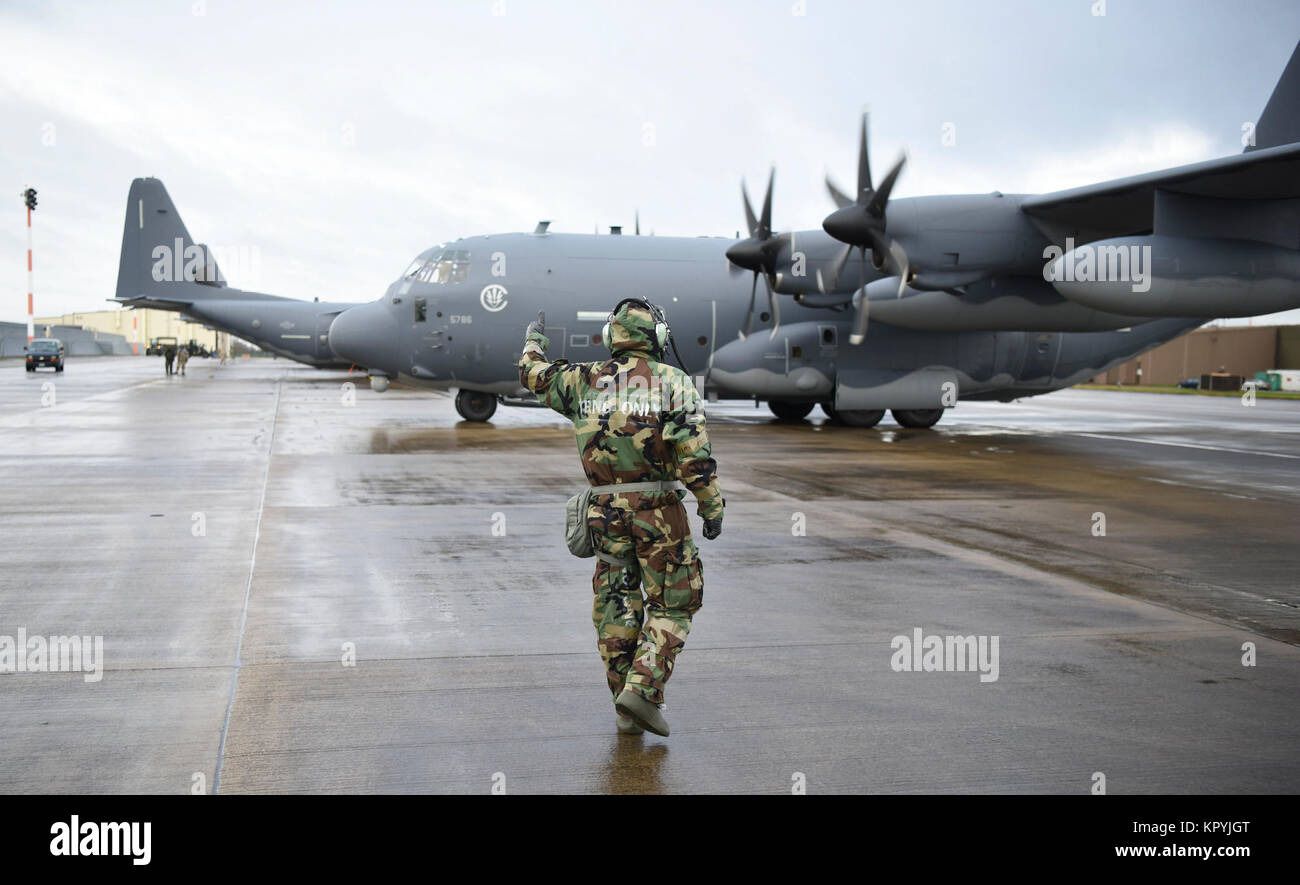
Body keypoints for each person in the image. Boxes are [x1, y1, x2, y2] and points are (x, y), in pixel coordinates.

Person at [517, 299, 724, 737]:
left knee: (616, 603)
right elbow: (695, 458)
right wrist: (712, 507)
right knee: (675, 602)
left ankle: (624, 707)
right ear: (659, 338)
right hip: (659, 513)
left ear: (613, 336)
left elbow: (532, 373)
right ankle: (643, 690)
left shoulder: (582, 379)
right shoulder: (673, 382)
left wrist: (534, 340)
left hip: (604, 513)